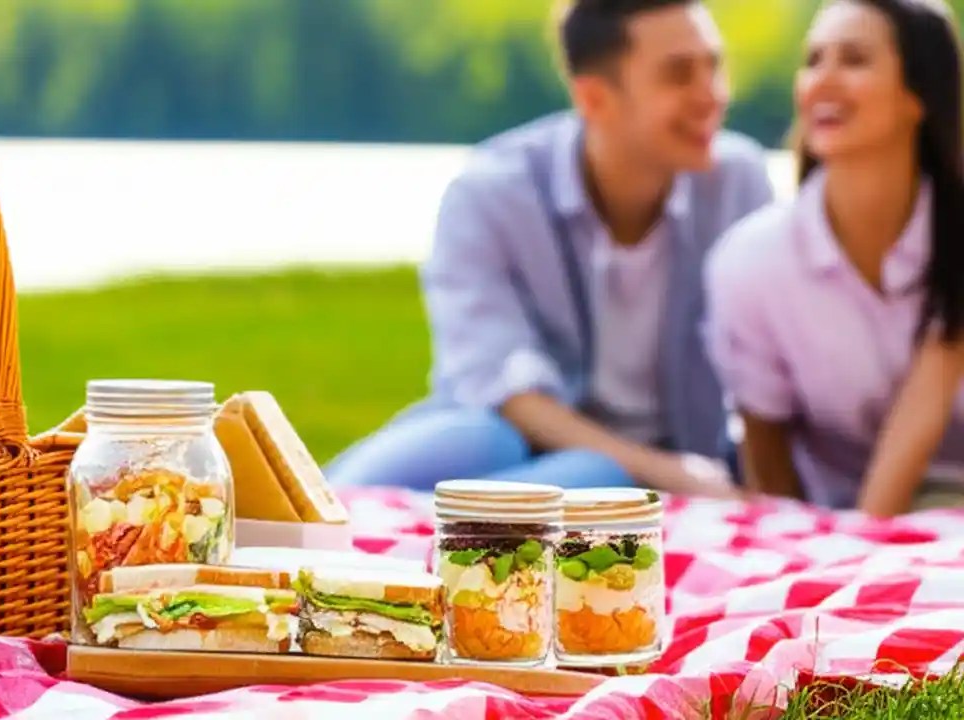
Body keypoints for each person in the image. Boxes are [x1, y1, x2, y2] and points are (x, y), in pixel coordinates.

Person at [326, 0, 774, 494]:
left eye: (714, 66)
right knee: (482, 438)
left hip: (616, 476)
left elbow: (765, 368)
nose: (711, 95)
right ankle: (297, 514)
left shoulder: (738, 185)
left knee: (595, 475)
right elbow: (504, 392)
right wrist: (666, 472)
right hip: (505, 439)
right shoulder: (491, 193)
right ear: (595, 99)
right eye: (679, 75)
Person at [704, 0, 964, 516]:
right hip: (841, 527)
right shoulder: (750, 264)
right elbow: (769, 469)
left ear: (919, 95)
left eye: (854, 59)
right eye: (813, 59)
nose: (822, 80)